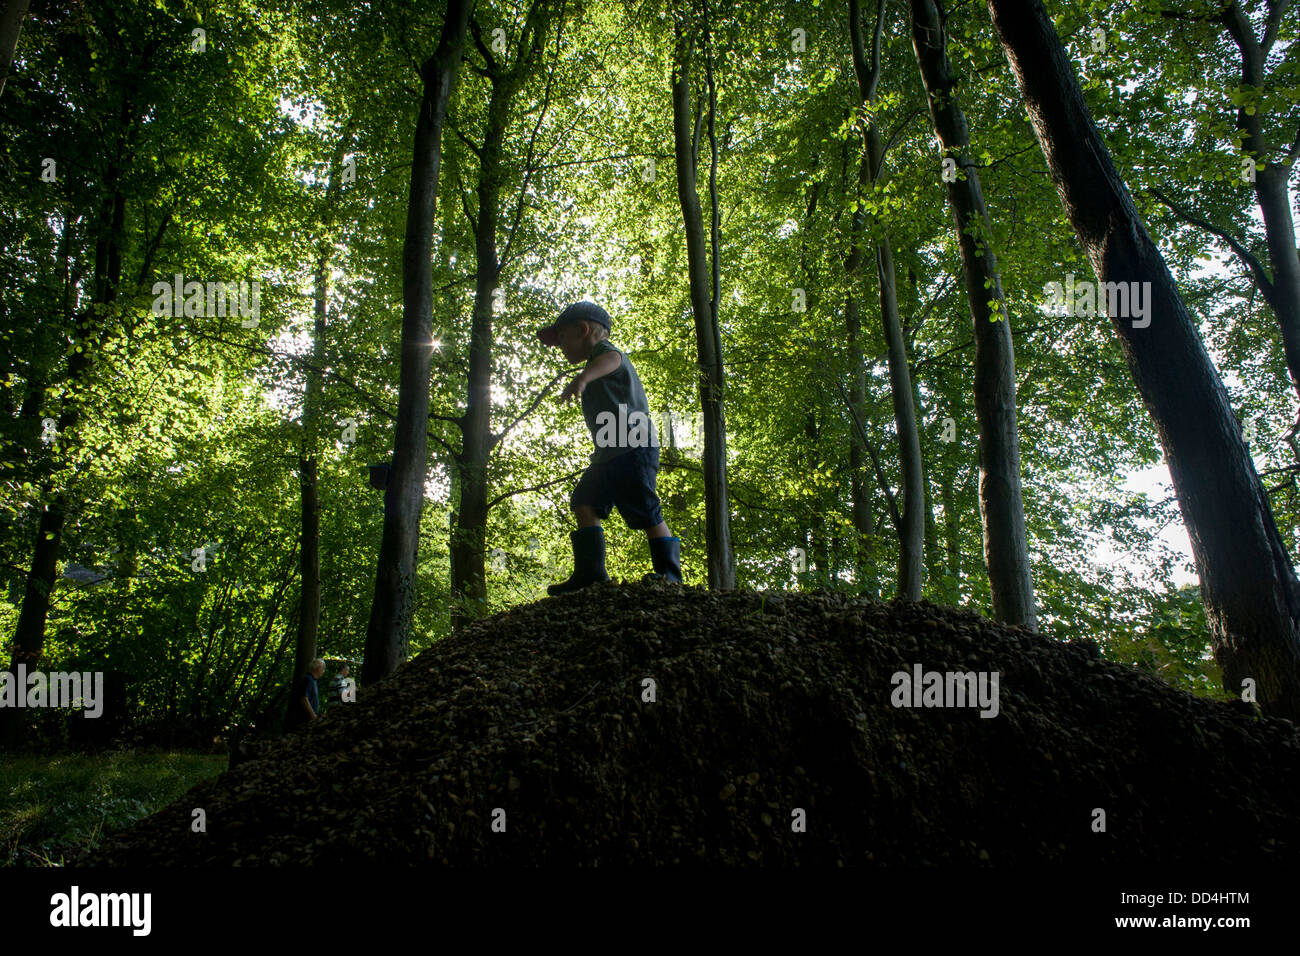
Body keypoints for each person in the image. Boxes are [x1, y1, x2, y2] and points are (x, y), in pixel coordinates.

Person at [535, 301, 682, 592]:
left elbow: (614, 359)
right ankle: (591, 573)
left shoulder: (605, 353)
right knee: (584, 501)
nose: (559, 346)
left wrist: (583, 378)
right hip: (608, 452)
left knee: (643, 506)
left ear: (583, 330)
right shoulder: (595, 361)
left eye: (562, 338)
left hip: (634, 445)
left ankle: (669, 574)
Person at [287, 658, 325, 729]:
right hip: (303, 720)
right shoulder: (308, 680)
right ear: (318, 669)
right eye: (323, 669)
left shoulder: (313, 681)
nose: (323, 671)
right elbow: (304, 698)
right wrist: (313, 716)